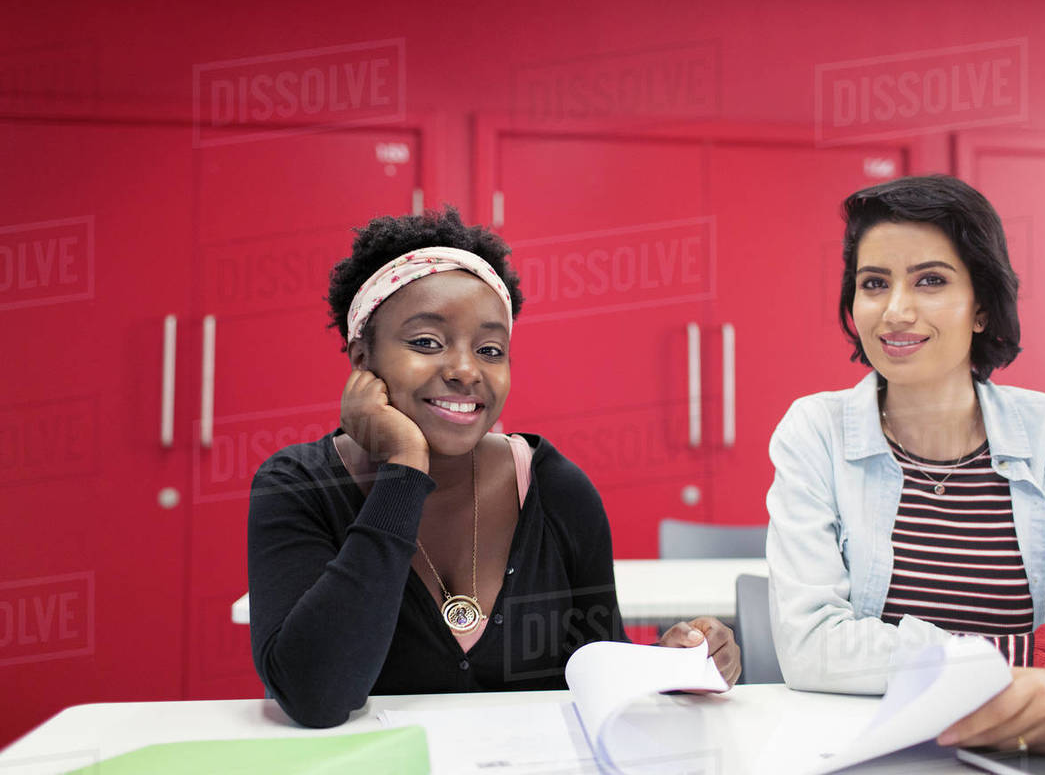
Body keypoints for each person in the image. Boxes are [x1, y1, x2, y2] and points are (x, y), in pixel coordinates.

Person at [247, 208, 740, 728]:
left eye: (490, 349)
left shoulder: (554, 488)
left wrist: (671, 667)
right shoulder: (298, 485)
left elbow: (600, 668)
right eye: (426, 343)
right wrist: (405, 469)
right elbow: (315, 695)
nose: (465, 370)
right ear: (361, 358)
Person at [765, 175, 1045, 755]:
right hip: (867, 750)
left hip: (1030, 748)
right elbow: (813, 649)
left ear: (981, 307)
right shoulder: (815, 433)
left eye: (930, 280)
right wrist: (1041, 648)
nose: (896, 310)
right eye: (874, 283)